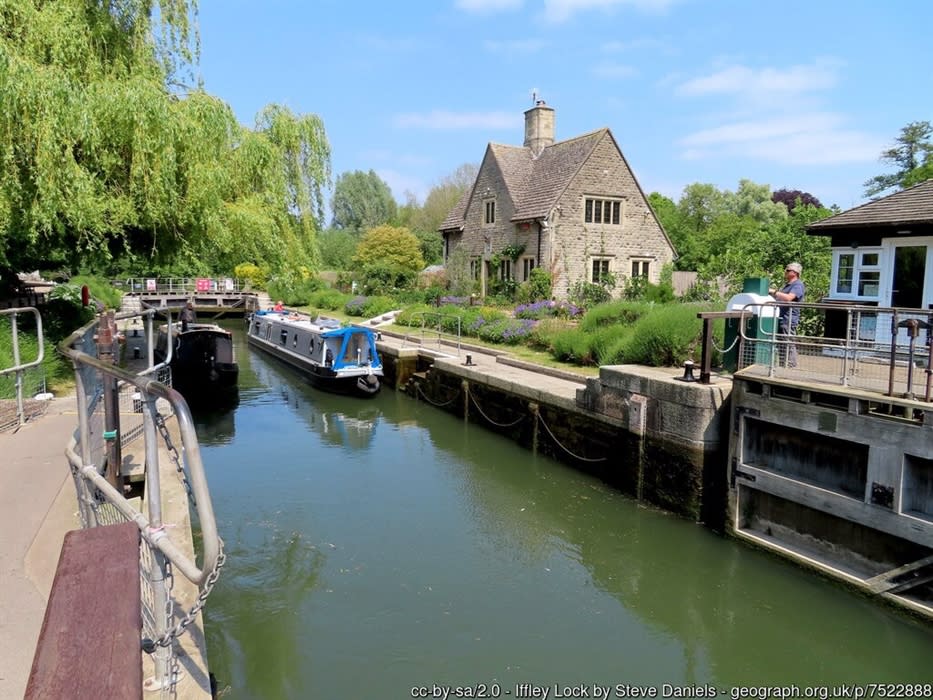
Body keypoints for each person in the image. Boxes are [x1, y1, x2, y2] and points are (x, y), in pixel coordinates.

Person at [769, 262, 805, 367]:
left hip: (789, 318)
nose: (785, 272)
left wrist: (774, 292)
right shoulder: (788, 285)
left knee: (788, 341)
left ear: (794, 273)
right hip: (782, 317)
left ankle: (791, 365)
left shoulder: (798, 284)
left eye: (787, 270)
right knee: (782, 343)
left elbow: (789, 298)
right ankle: (783, 364)